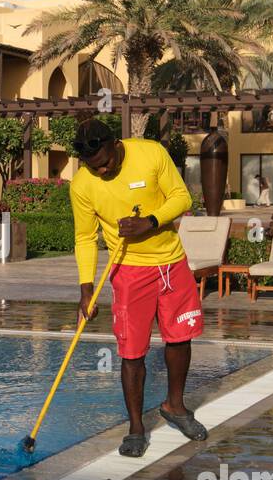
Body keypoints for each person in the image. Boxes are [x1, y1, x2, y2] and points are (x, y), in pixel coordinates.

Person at [70, 119, 209, 458]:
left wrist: (150, 222)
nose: (101, 170)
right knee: (132, 352)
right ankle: (136, 428)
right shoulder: (82, 185)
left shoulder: (150, 153)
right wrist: (86, 288)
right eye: (93, 166)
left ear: (116, 144)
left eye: (105, 162)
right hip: (129, 272)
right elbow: (85, 237)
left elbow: (181, 197)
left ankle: (175, 406)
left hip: (172, 262)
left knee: (180, 338)